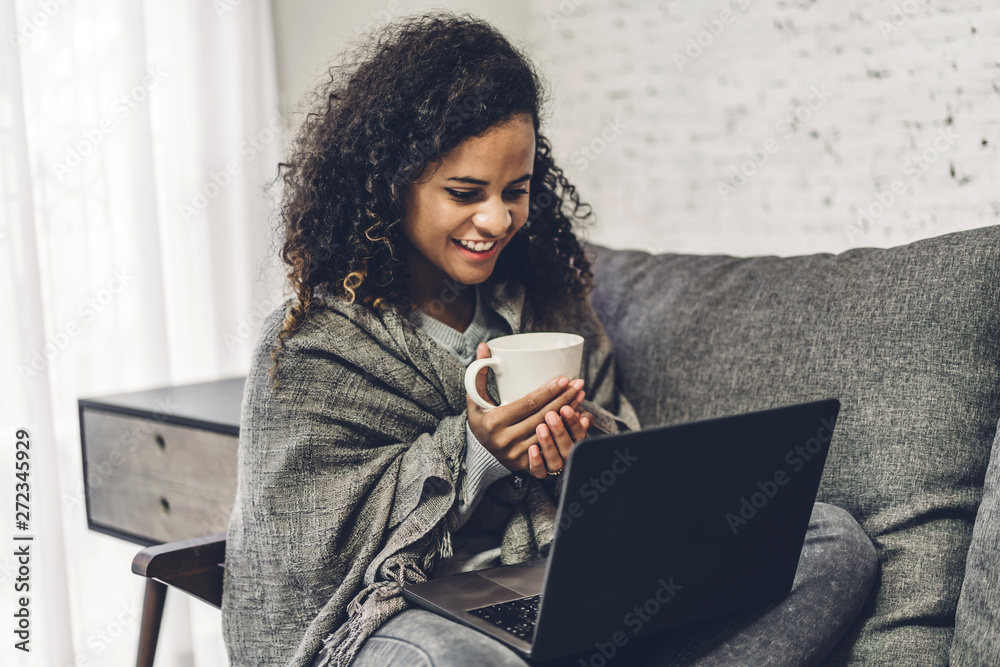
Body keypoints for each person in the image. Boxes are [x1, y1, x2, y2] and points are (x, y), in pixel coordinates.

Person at [221, 12, 878, 667]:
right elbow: (303, 559)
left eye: (517, 190)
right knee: (442, 658)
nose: (497, 218)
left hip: (561, 575)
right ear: (394, 185)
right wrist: (477, 449)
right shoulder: (315, 345)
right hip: (419, 609)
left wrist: (578, 447)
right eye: (465, 192)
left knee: (826, 540)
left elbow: (628, 472)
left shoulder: (547, 295)